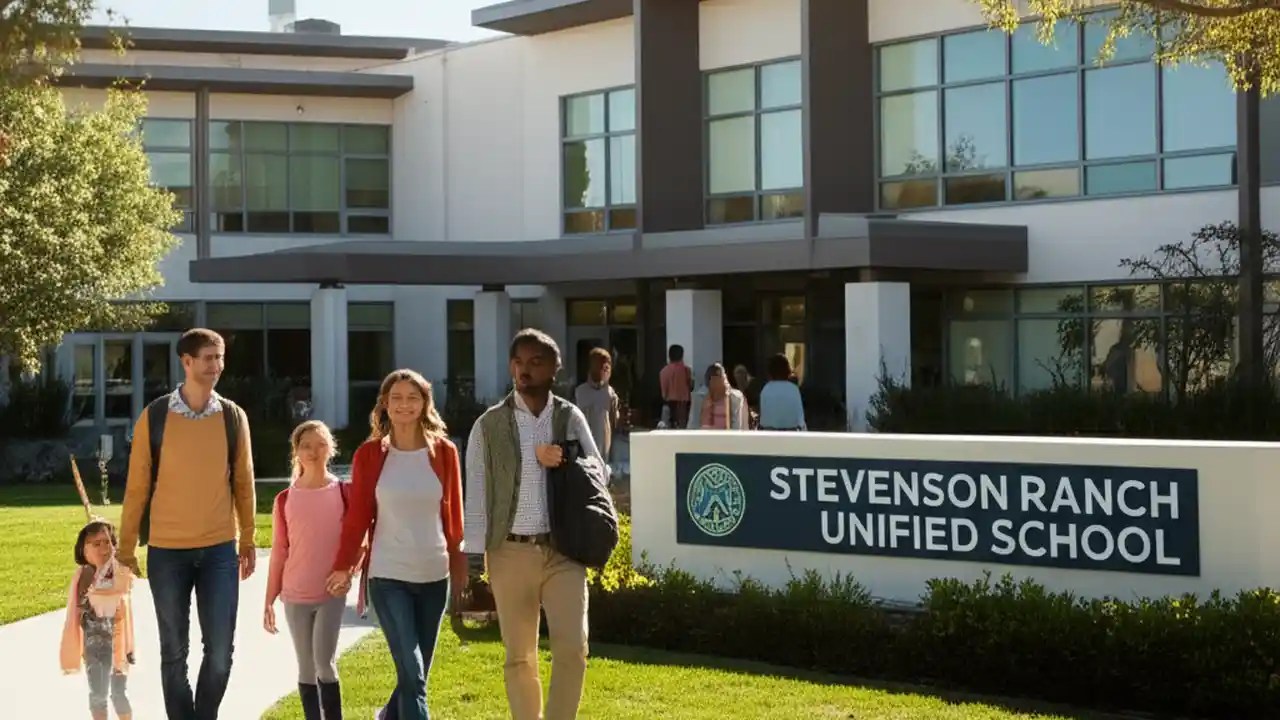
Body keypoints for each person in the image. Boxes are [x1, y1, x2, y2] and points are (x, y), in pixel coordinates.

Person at [463, 328, 604, 720]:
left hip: (564, 551)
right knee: (519, 655)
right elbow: (475, 490)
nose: (525, 370)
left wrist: (564, 459)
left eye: (535, 361)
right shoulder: (488, 425)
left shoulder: (569, 416)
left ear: (554, 368)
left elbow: (600, 473)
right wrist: (473, 560)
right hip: (509, 552)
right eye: (519, 362)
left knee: (573, 648)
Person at [118, 328, 255, 720]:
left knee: (220, 654)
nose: (216, 365)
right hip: (167, 552)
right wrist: (126, 550)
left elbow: (243, 482)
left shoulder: (232, 417)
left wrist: (248, 538)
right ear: (187, 361)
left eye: (221, 357)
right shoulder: (156, 416)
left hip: (218, 551)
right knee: (173, 652)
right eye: (208, 357)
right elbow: (137, 487)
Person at [327, 369, 466, 720]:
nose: (404, 405)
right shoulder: (370, 455)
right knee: (413, 674)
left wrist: (461, 572)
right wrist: (343, 565)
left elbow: (455, 520)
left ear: (424, 404)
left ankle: (387, 716)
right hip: (388, 575)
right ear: (385, 405)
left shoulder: (445, 453)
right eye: (397, 398)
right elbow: (357, 516)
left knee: (414, 674)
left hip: (435, 575)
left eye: (412, 398)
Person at [264, 421, 353, 720]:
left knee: (324, 663)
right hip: (295, 595)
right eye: (306, 446)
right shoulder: (285, 499)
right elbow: (279, 552)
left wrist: (349, 573)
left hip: (331, 593)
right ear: (296, 453)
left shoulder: (343, 493)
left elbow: (359, 541)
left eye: (320, 444)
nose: (314, 451)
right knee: (305, 666)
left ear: (331, 448)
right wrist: (268, 600)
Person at [60, 519, 135, 720]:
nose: (104, 547)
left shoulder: (119, 571)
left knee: (119, 693)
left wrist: (113, 567)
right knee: (98, 695)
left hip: (118, 642)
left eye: (108, 542)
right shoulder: (85, 574)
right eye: (96, 543)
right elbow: (84, 602)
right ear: (84, 550)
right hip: (96, 644)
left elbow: (122, 586)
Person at [574, 347, 619, 472]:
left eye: (606, 367)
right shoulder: (579, 391)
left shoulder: (610, 393)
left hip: (604, 446)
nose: (603, 370)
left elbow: (614, 420)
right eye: (600, 365)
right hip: (583, 446)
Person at [688, 363, 750, 430]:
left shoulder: (736, 398)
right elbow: (693, 425)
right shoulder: (699, 398)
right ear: (709, 384)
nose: (726, 383)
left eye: (723, 378)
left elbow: (738, 426)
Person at [758, 354, 807, 431]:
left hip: (769, 434)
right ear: (787, 370)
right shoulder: (793, 389)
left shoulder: (766, 389)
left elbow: (763, 418)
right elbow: (800, 420)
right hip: (791, 434)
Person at [658, 344, 693, 429]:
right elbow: (691, 386)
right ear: (682, 355)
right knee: (682, 427)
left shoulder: (663, 371)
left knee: (667, 428)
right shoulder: (686, 370)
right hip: (683, 404)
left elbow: (663, 392)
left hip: (668, 403)